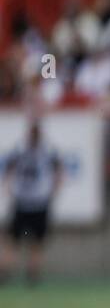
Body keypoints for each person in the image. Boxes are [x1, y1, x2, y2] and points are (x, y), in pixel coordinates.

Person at [1, 121, 63, 285]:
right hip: (37, 202)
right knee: (35, 242)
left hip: (23, 201)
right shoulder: (46, 152)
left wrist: (8, 188)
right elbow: (58, 172)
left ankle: (8, 273)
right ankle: (31, 275)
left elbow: (8, 171)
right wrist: (54, 190)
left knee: (14, 241)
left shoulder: (20, 151)